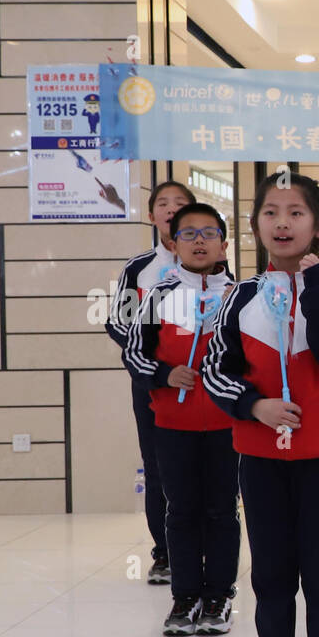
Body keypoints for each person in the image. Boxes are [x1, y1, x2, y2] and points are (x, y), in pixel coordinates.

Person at [201, 172, 319, 637]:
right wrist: (254, 406)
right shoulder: (238, 297)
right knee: (270, 574)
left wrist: (315, 287)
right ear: (256, 225)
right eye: (271, 212)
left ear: (317, 225)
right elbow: (214, 372)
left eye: (296, 213)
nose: (283, 222)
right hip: (260, 457)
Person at [124, 203, 239, 635]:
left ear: (224, 244)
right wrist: (164, 374)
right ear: (173, 245)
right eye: (188, 234)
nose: (199, 241)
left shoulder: (240, 296)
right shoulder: (160, 295)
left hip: (229, 426)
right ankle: (185, 597)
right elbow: (134, 352)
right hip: (172, 425)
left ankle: (219, 597)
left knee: (222, 512)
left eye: (209, 233)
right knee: (182, 511)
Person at [108, 180, 195, 585]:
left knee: (206, 469)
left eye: (181, 203)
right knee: (159, 468)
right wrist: (152, 364)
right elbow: (118, 322)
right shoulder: (139, 269)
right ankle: (164, 553)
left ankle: (205, 549)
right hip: (152, 385)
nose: (172, 209)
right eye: (164, 203)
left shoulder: (213, 265)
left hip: (201, 386)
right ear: (151, 215)